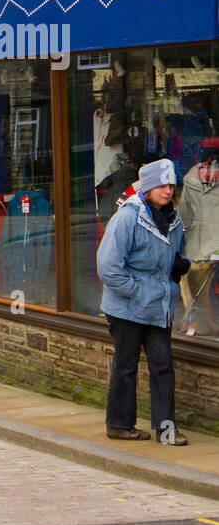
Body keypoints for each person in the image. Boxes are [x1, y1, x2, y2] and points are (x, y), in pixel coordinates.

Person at [96, 159, 190, 445]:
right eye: (161, 185)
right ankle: (119, 425)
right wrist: (138, 292)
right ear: (147, 188)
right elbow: (108, 267)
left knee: (163, 366)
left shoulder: (173, 220)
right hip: (127, 306)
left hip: (157, 306)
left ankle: (166, 429)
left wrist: (177, 265)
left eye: (171, 185)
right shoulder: (127, 217)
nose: (167, 190)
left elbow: (171, 255)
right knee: (125, 365)